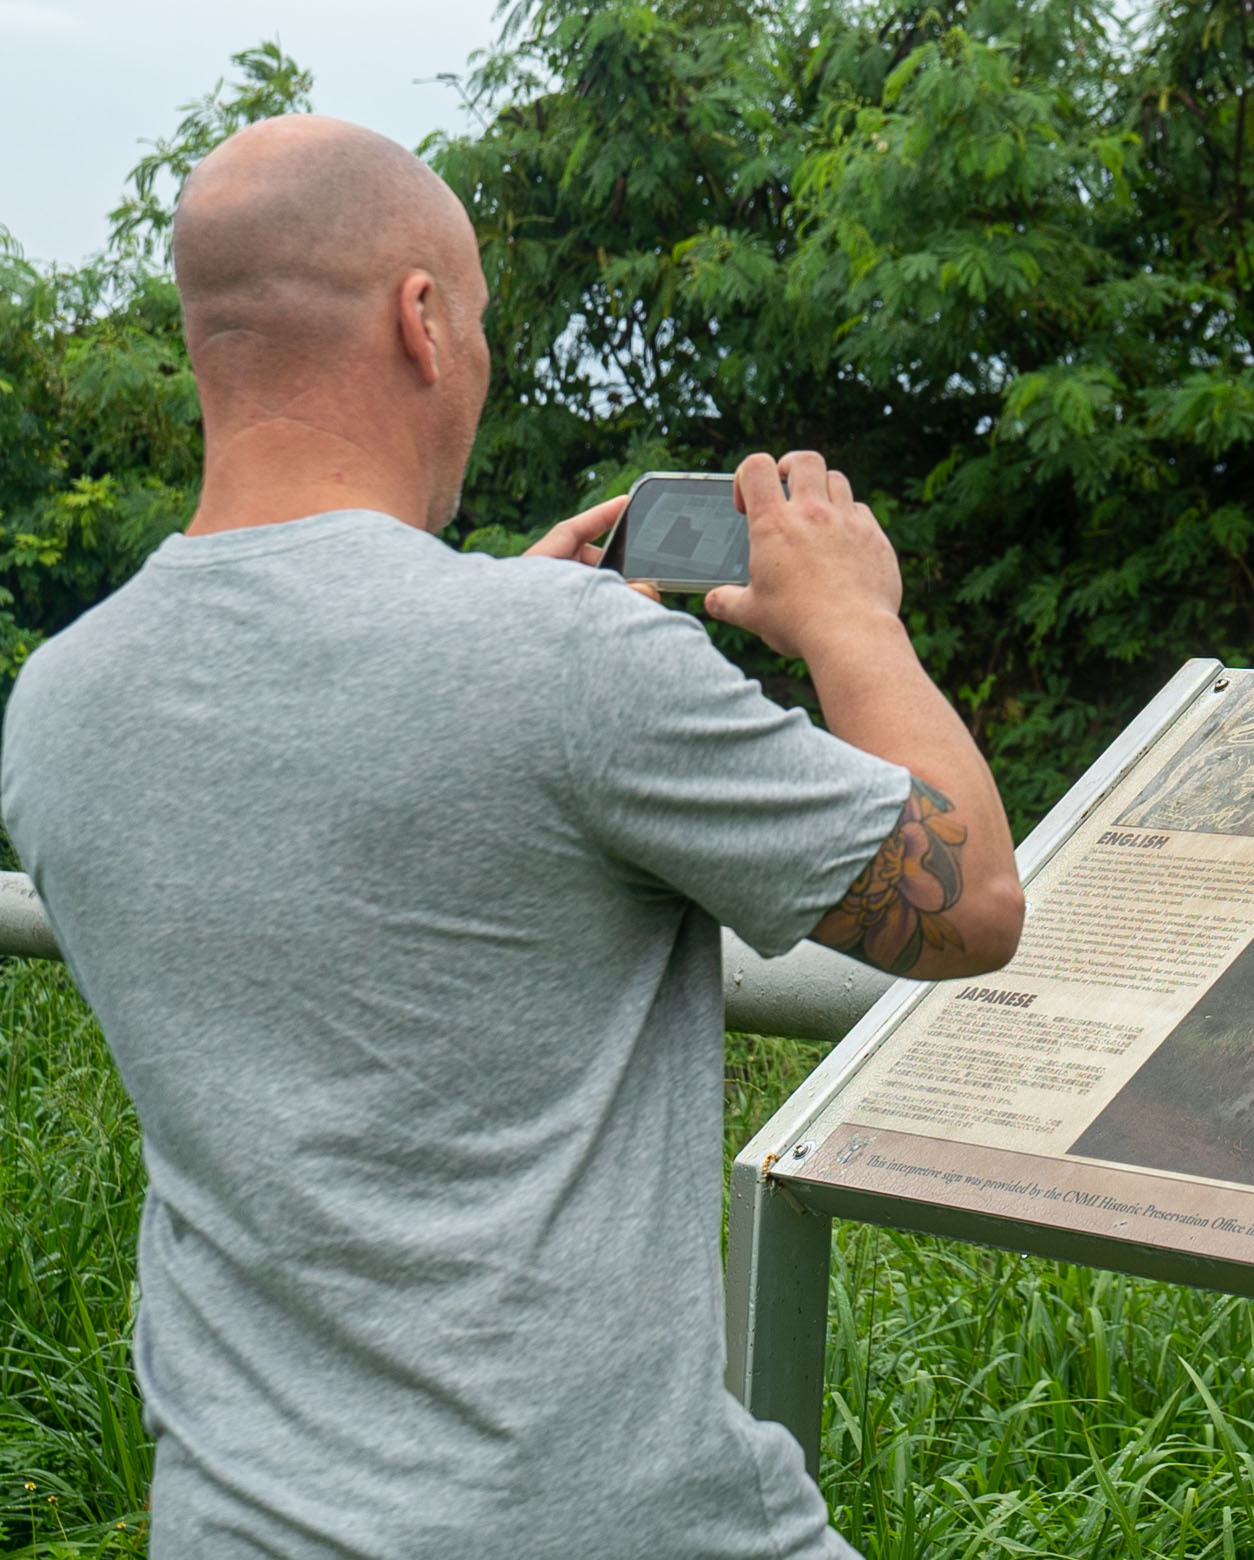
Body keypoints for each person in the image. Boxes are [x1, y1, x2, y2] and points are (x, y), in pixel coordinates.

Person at [0, 115, 1024, 1558]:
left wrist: (521, 637)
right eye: (474, 322)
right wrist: (853, 622)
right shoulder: (559, 663)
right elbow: (968, 900)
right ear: (422, 321)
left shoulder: (59, 701)